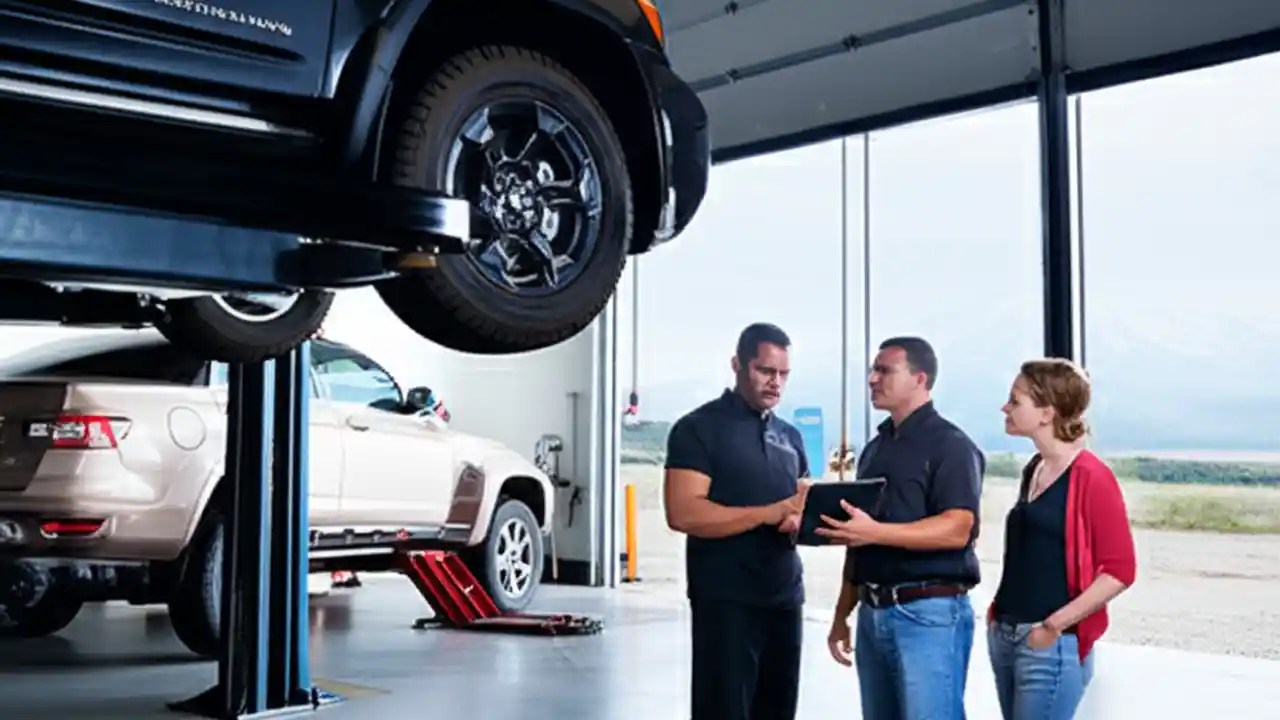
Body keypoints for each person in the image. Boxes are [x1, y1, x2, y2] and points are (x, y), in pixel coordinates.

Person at [817, 336, 984, 720]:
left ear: (920, 379)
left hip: (929, 614)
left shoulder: (952, 446)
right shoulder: (875, 449)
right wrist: (844, 612)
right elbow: (857, 538)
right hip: (873, 614)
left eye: (884, 370)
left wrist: (875, 532)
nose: (872, 379)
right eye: (872, 370)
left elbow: (957, 528)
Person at [663, 322, 811, 720]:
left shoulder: (791, 438)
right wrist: (768, 513)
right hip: (726, 599)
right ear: (737, 365)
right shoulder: (698, 429)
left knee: (778, 710)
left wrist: (803, 520)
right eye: (765, 371)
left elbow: (797, 509)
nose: (775, 383)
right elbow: (683, 512)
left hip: (784, 597)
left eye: (783, 374)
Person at [986, 358, 1136, 720]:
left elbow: (1120, 570)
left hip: (1049, 644)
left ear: (1046, 413)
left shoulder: (1092, 476)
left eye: (1015, 400)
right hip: (1006, 634)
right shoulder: (1034, 468)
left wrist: (1054, 626)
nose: (1005, 407)